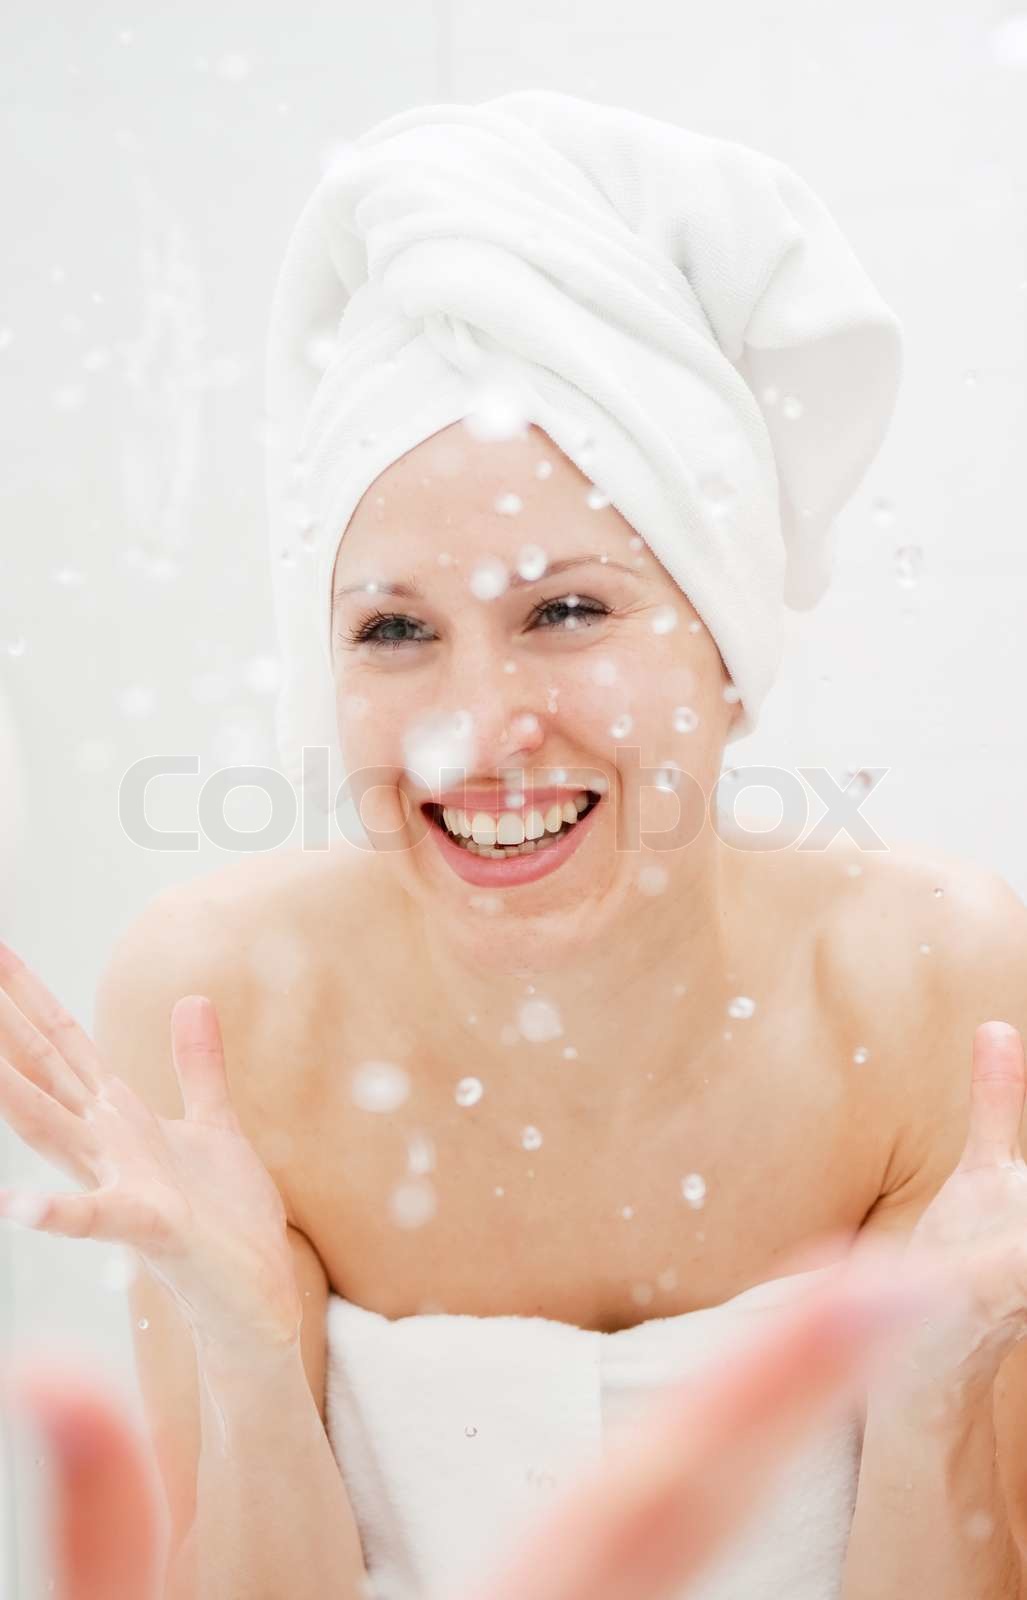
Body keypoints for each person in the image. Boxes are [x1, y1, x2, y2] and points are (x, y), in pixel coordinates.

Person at [3, 85, 1027, 1600]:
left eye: (565, 610)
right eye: (395, 630)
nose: (472, 732)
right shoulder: (228, 1010)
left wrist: (934, 1391)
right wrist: (244, 1354)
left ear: (724, 653)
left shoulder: (923, 987)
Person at [0, 1246, 943, 1600]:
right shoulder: (208, 996)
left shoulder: (945, 983)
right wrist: (250, 1362)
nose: (485, 790)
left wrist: (952, 1376)